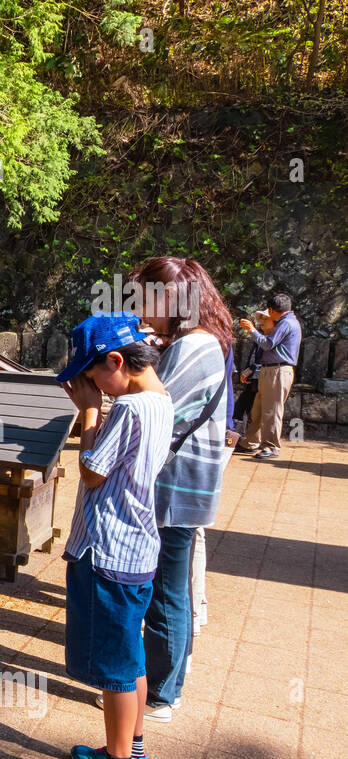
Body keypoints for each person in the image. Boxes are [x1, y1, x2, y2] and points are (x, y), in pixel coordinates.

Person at [49, 312, 173, 759]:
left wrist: (89, 412)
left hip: (108, 551)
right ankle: (132, 754)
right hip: (137, 550)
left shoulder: (128, 409)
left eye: (93, 375)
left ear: (117, 362)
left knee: (115, 669)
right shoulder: (162, 401)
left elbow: (92, 472)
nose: (91, 386)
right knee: (131, 658)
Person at [127, 257, 232, 723]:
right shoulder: (190, 341)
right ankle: (163, 682)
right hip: (179, 484)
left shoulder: (194, 346)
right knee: (169, 586)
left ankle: (162, 694)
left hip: (176, 487)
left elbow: (156, 409)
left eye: (145, 297)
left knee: (167, 590)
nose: (138, 307)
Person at [237, 294, 302, 460]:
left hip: (278, 371)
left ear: (273, 310)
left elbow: (267, 344)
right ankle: (251, 442)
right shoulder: (287, 322)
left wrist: (251, 329)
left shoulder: (286, 323)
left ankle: (271, 447)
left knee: (272, 411)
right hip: (271, 370)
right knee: (258, 409)